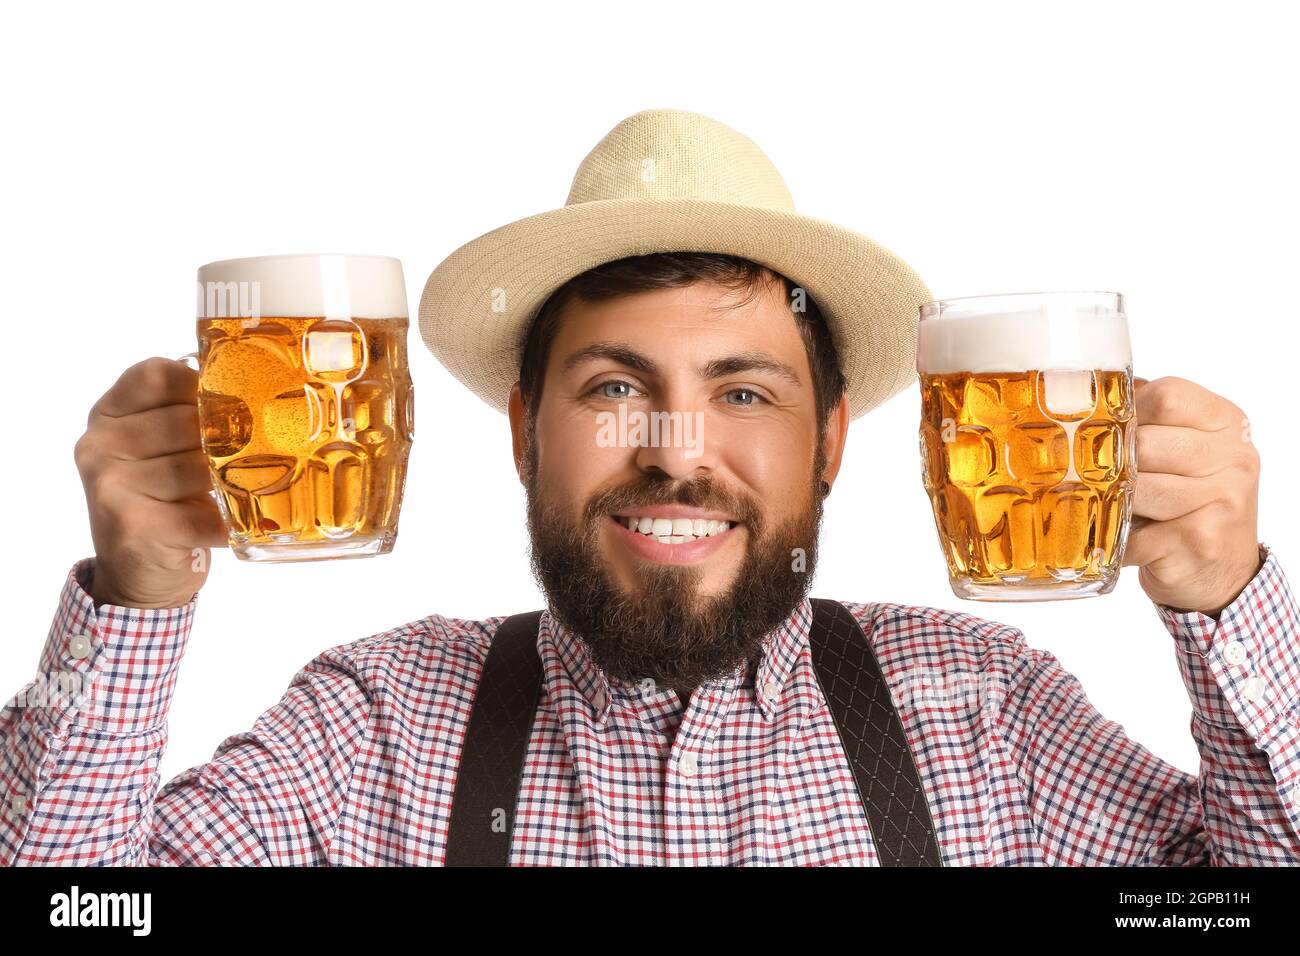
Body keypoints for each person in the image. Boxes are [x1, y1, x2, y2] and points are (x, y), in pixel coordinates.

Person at [2, 110, 1296, 866]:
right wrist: (135, 601)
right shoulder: (375, 729)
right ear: (523, 431)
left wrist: (1229, 604)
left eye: (744, 393)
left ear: (834, 442)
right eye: (615, 389)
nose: (678, 450)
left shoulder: (981, 716)